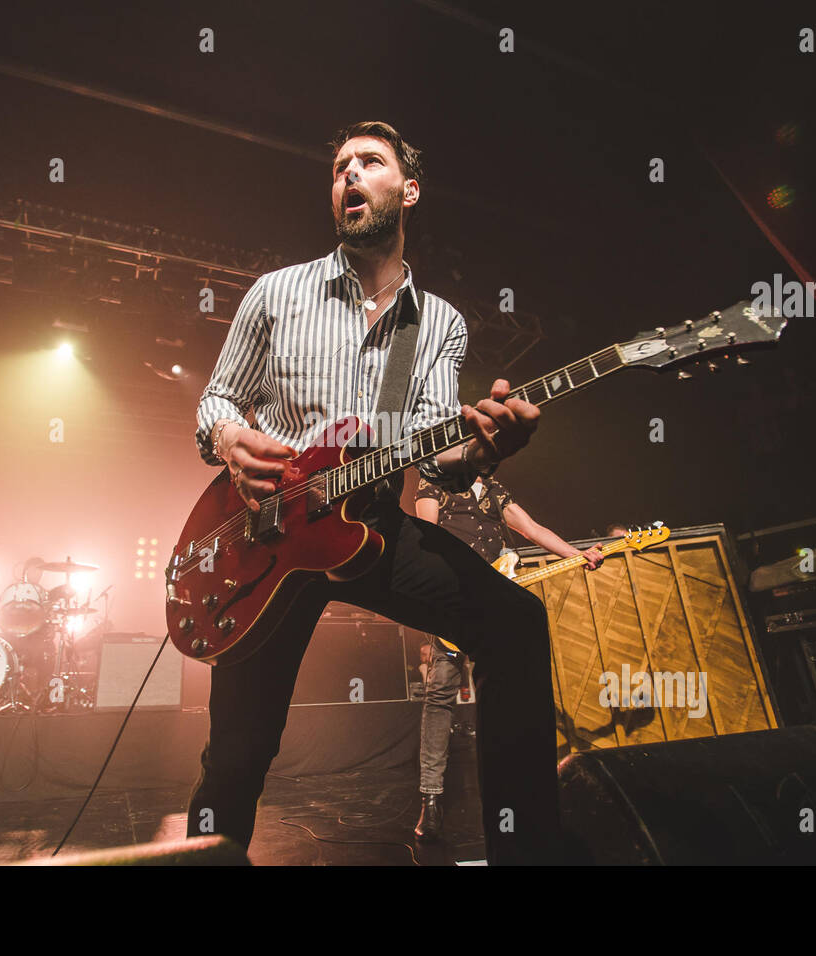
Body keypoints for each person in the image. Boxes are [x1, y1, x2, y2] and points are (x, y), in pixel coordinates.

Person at [186, 121, 565, 864]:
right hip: (273, 535)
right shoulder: (276, 292)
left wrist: (483, 449)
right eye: (338, 167)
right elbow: (216, 403)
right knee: (237, 750)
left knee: (516, 624)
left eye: (369, 162)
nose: (347, 175)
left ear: (409, 190)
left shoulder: (440, 324)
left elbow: (439, 450)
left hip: (375, 528)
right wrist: (231, 444)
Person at [410, 474, 604, 840]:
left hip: (494, 602)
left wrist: (578, 555)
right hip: (452, 599)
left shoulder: (496, 489)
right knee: (439, 699)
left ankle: (511, 798)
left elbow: (531, 529)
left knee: (504, 694)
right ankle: (431, 800)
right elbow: (424, 538)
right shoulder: (435, 479)